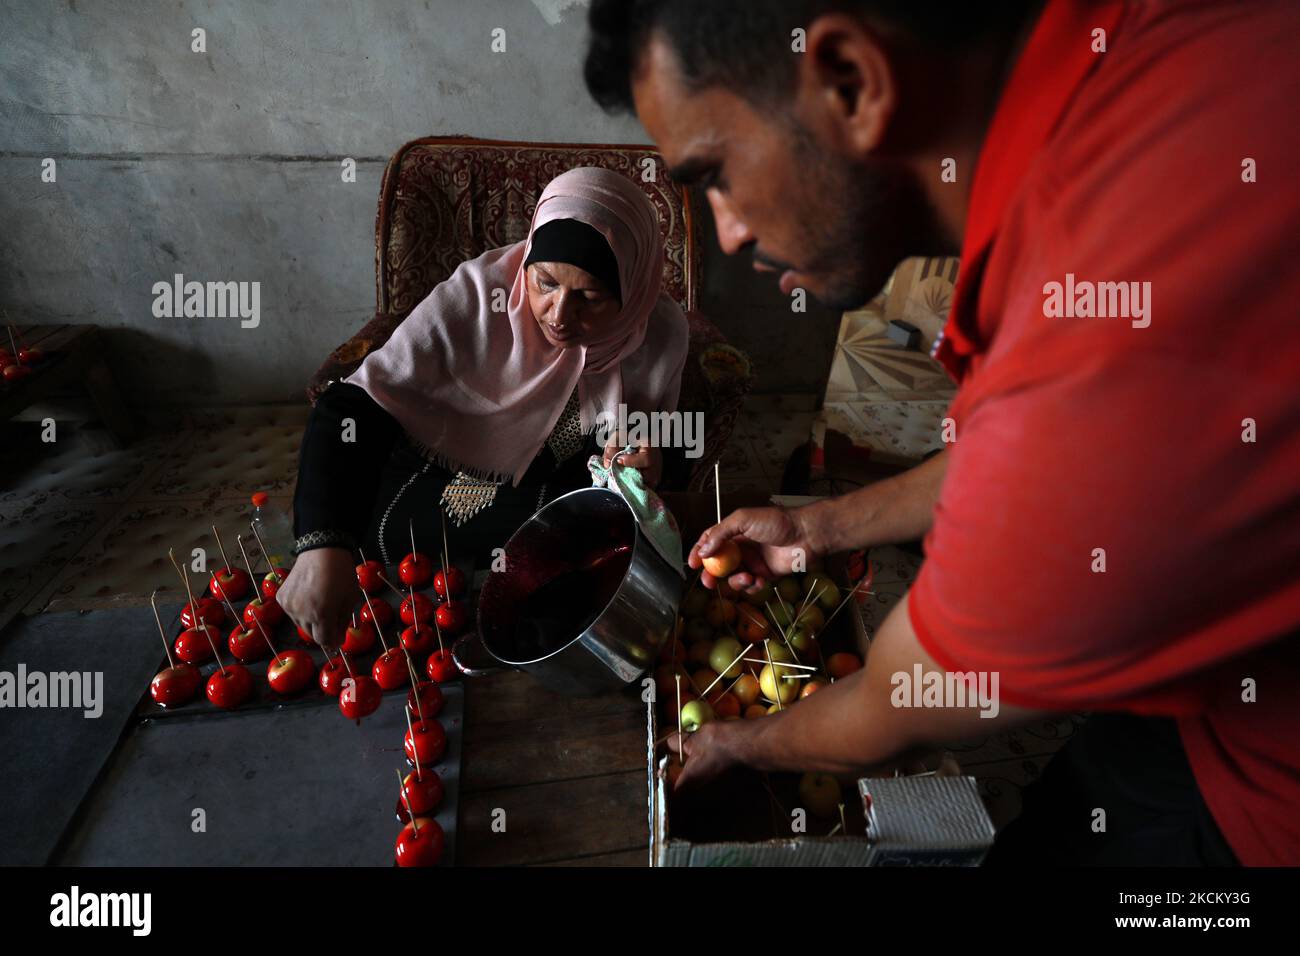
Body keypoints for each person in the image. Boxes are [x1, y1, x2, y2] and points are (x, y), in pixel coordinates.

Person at [584, 0, 1300, 865]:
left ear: (850, 81)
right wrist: (819, 525)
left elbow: (901, 701)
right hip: (1206, 703)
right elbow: (1013, 461)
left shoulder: (1095, 342)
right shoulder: (1143, 59)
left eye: (716, 177)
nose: (729, 235)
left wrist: (739, 745)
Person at [279, 167, 689, 651]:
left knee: (606, 531)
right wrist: (320, 547)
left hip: (562, 485)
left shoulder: (657, 332)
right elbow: (351, 408)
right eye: (546, 283)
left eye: (589, 297)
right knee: (378, 523)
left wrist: (655, 456)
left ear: (633, 290)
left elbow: (670, 442)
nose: (559, 315)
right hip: (435, 475)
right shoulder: (479, 296)